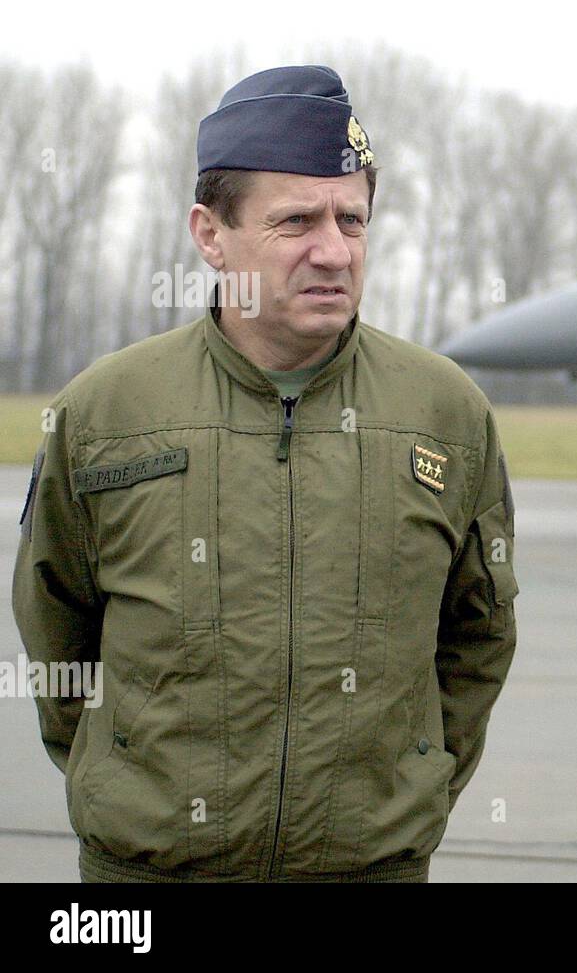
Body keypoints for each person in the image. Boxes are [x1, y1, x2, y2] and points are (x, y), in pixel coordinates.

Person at [13, 65, 518, 882]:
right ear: (211, 235)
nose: (333, 251)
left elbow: (478, 638)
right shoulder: (106, 411)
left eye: (351, 219)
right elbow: (56, 626)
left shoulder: (445, 415)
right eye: (295, 222)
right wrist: (125, 786)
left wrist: (407, 792)